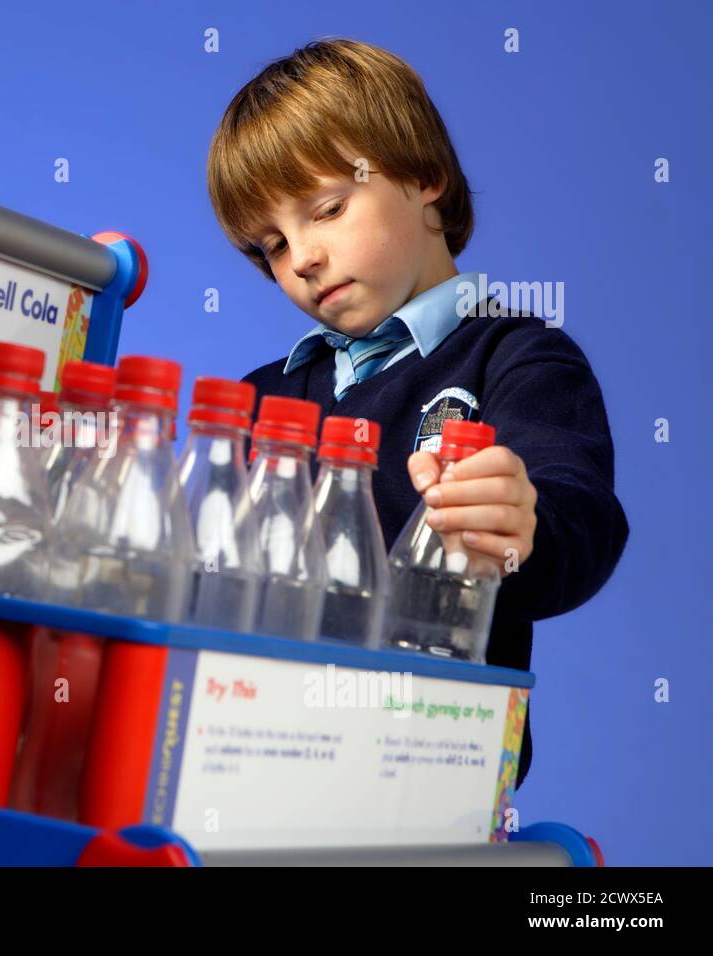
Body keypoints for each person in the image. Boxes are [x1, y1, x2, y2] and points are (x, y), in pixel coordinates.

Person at [206, 38, 628, 789]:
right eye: (271, 244)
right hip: (252, 765)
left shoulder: (517, 361)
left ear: (426, 178)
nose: (301, 257)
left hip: (432, 775)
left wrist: (525, 524)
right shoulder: (258, 400)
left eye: (328, 209)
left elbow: (580, 514)